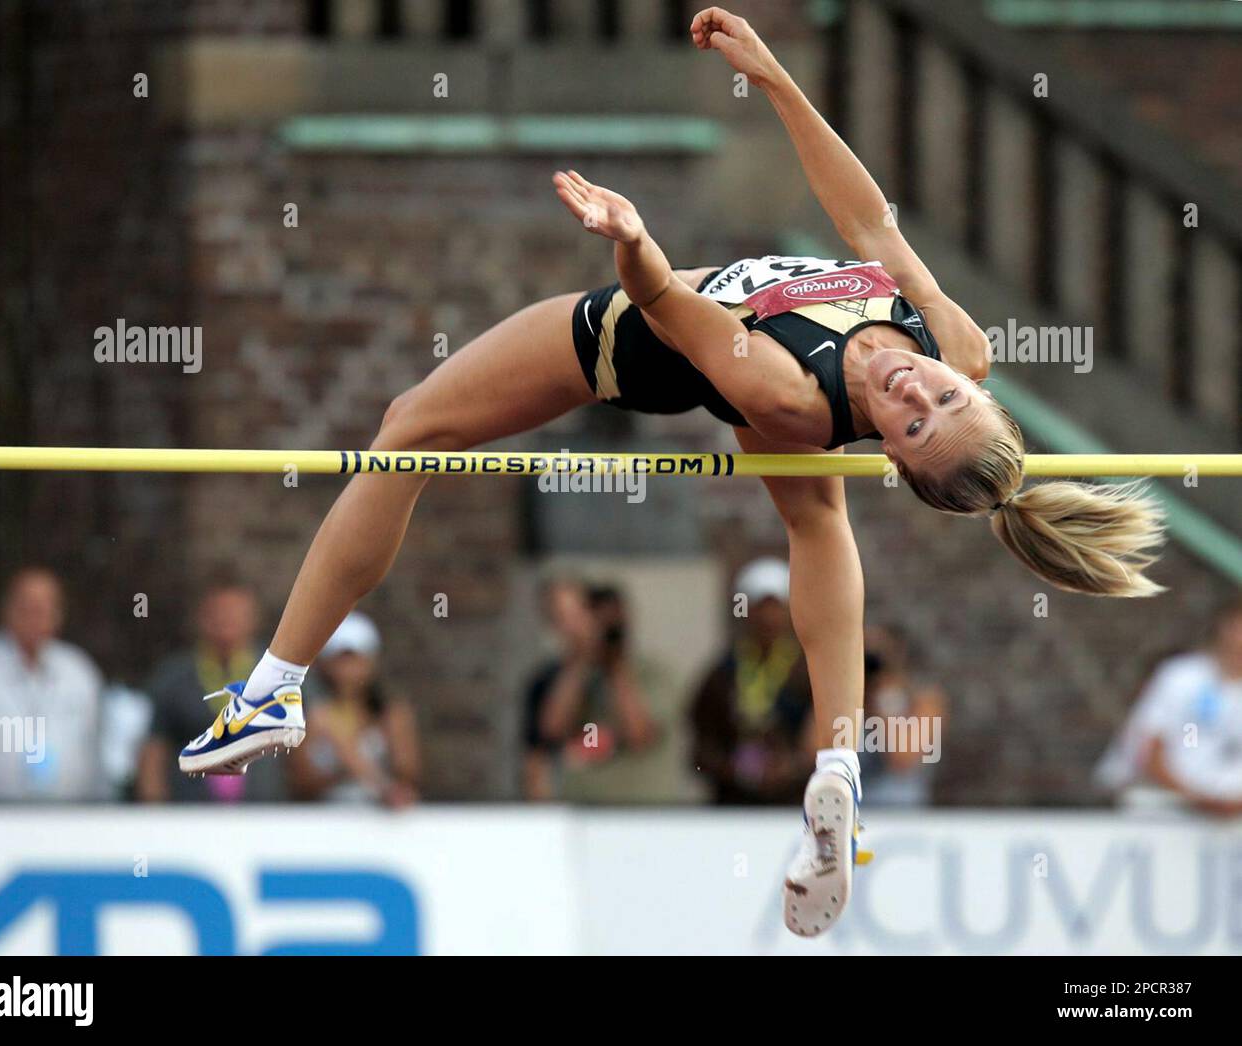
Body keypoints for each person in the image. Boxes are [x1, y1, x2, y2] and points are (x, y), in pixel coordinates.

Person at [178, 8, 1165, 936]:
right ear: (971, 385)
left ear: (897, 457)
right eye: (943, 399)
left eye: (911, 424)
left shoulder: (786, 395)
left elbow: (668, 314)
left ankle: (274, 685)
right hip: (749, 362)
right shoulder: (953, 339)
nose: (920, 392)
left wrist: (635, 241)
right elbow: (871, 224)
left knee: (406, 431)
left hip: (624, 342)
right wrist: (777, 80)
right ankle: (837, 768)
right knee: (815, 522)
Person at [0, 567, 103, 800]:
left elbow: (94, 751)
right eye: (27, 605)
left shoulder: (78, 671)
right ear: (6, 609)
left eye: (46, 606)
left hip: (67, 820)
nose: (37, 614)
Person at [135, 576, 286, 802]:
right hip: (190, 815)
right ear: (201, 618)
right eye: (218, 613)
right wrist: (154, 811)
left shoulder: (277, 673)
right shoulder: (174, 677)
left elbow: (311, 732)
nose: (226, 620)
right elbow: (154, 750)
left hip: (264, 814)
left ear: (254, 619)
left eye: (235, 613)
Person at [1095, 598, 1242, 815]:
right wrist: (1196, 799)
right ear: (1226, 625)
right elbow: (1147, 748)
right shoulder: (1181, 676)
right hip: (1160, 812)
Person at [521, 579, 658, 800]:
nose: (573, 626)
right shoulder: (548, 679)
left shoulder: (650, 674)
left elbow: (639, 735)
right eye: (561, 618)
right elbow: (549, 734)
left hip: (638, 815)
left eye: (579, 614)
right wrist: (581, 660)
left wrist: (614, 665)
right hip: (575, 814)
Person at [691, 558, 814, 804]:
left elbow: (827, 739)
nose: (768, 617)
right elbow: (699, 748)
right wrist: (733, 770)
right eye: (760, 607)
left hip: (795, 805)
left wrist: (791, 767)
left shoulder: (807, 671)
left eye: (776, 607)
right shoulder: (721, 674)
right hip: (734, 805)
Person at [286, 611, 420, 806]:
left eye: (355, 660)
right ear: (325, 664)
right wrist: (344, 768)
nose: (348, 670)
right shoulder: (312, 717)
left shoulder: (391, 715)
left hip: (381, 823)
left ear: (371, 662)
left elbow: (408, 773)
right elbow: (300, 782)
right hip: (324, 821)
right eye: (341, 660)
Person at [856, 624, 947, 806]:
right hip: (847, 810)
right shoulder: (849, 701)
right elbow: (813, 755)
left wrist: (887, 699)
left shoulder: (924, 701)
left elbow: (902, 759)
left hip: (900, 814)